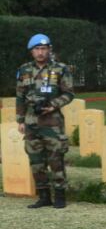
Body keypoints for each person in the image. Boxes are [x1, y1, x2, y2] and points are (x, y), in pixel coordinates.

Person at [16, 33, 74, 209]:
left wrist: (53, 105)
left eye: (43, 48)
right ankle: (43, 196)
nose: (40, 52)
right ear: (31, 52)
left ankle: (60, 196)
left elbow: (69, 93)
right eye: (37, 49)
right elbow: (20, 96)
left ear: (49, 49)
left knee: (56, 159)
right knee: (36, 161)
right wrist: (20, 120)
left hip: (52, 123)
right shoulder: (24, 70)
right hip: (32, 122)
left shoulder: (60, 69)